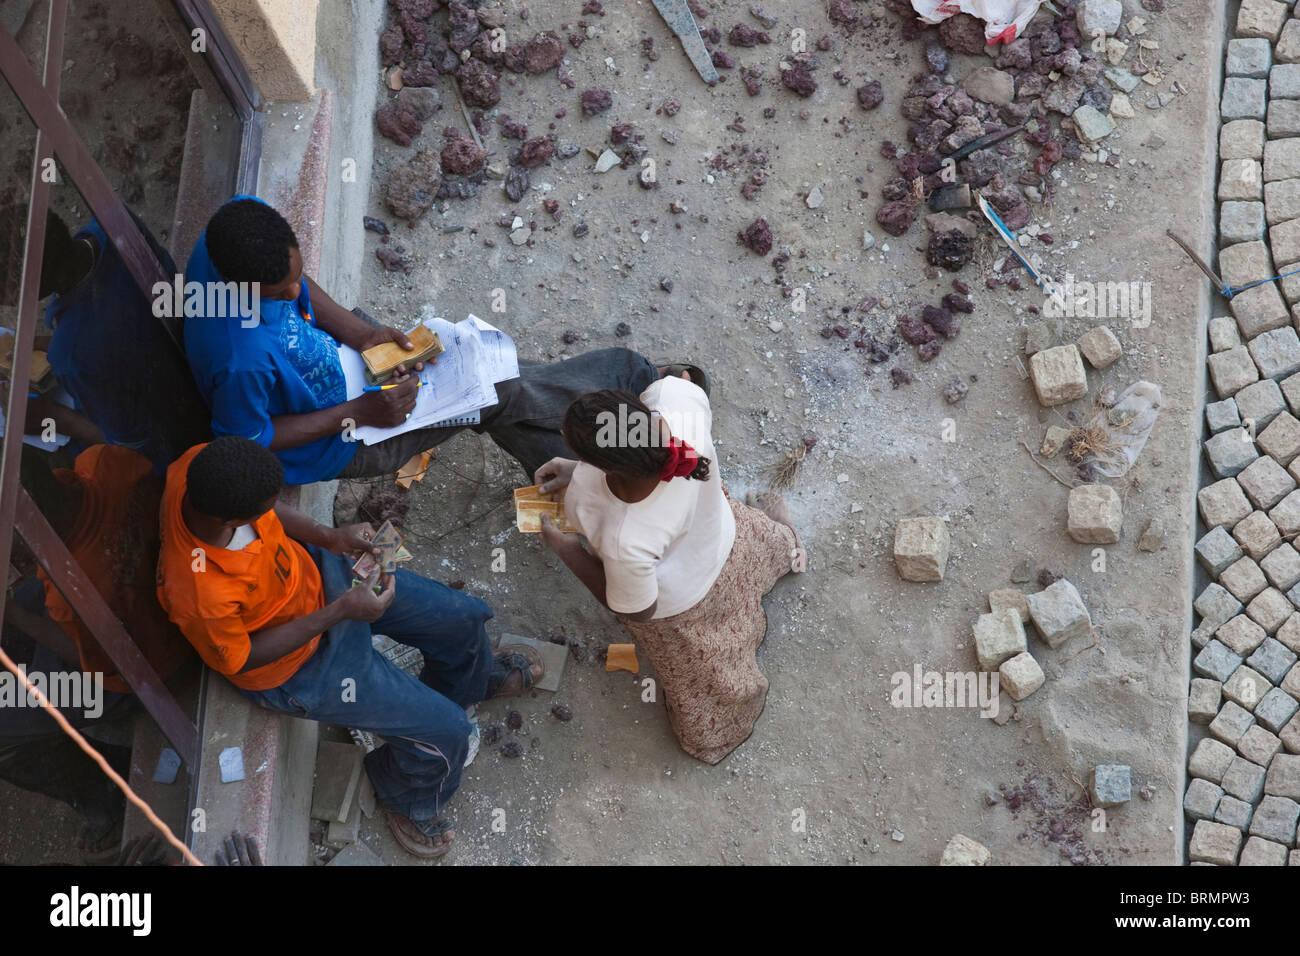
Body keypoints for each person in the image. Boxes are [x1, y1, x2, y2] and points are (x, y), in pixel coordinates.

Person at [155, 437, 544, 859]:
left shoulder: (200, 465)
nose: (271, 511)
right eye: (263, 508)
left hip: (317, 580)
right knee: (448, 732)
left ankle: (465, 685)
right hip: (298, 666)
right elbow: (244, 657)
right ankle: (409, 799)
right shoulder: (197, 592)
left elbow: (270, 514)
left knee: (463, 617)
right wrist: (340, 612)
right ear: (232, 517)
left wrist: (329, 536)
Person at [181, 196, 665, 485]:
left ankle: (588, 462)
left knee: (489, 384)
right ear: (235, 286)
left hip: (346, 363)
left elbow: (297, 285)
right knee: (497, 389)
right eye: (277, 294)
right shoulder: (238, 358)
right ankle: (629, 385)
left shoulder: (237, 229)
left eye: (295, 275)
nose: (293, 294)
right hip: (343, 438)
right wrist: (360, 413)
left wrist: (363, 333)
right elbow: (248, 442)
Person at [533, 375, 806, 764]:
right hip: (726, 535)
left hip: (684, 605)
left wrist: (567, 550)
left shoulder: (616, 529)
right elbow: (684, 382)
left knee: (705, 677)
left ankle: (717, 734)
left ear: (599, 465)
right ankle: (790, 545)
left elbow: (636, 610)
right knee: (768, 542)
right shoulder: (676, 401)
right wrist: (578, 466)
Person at [0, 444, 193, 861]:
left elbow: (95, 661)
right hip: (156, 595)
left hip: (137, 673)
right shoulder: (103, 464)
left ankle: (102, 794)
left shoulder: (68, 593)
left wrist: (12, 614)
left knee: (3, 730)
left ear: (24, 535)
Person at [38, 208, 211, 472]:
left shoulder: (71, 356)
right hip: (184, 344)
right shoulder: (110, 222)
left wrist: (55, 418)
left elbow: (133, 446)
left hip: (175, 433)